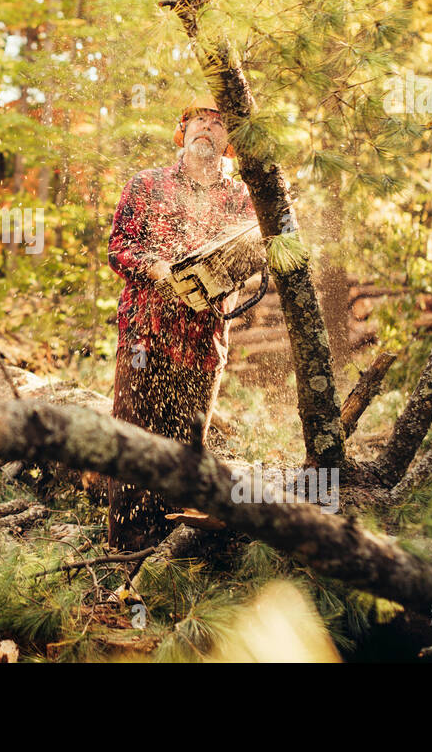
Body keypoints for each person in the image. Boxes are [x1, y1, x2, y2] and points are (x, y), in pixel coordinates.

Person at [106, 94, 257, 551]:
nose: (208, 128)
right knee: (132, 442)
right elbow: (117, 247)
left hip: (202, 343)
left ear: (229, 141)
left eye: (218, 122)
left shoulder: (240, 199)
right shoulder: (147, 184)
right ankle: (125, 551)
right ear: (182, 132)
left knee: (187, 452)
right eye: (199, 121)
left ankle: (172, 553)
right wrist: (158, 268)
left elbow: (254, 257)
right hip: (143, 335)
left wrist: (215, 274)